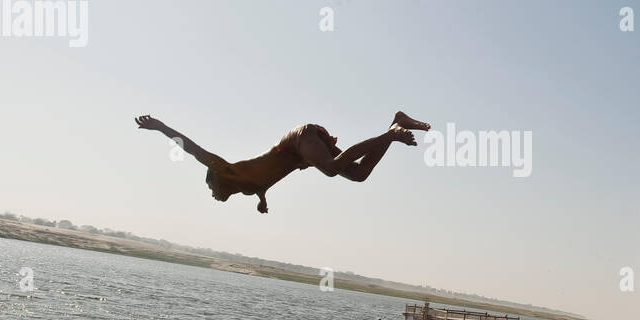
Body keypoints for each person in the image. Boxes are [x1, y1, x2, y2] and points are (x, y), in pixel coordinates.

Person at [135, 111, 430, 214]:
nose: (214, 197)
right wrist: (262, 202)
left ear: (216, 179)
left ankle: (392, 134)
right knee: (360, 174)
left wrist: (160, 127)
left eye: (212, 192)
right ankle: (396, 123)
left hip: (297, 141)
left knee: (331, 168)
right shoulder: (249, 189)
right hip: (302, 154)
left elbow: (193, 149)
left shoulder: (226, 170)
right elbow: (262, 184)